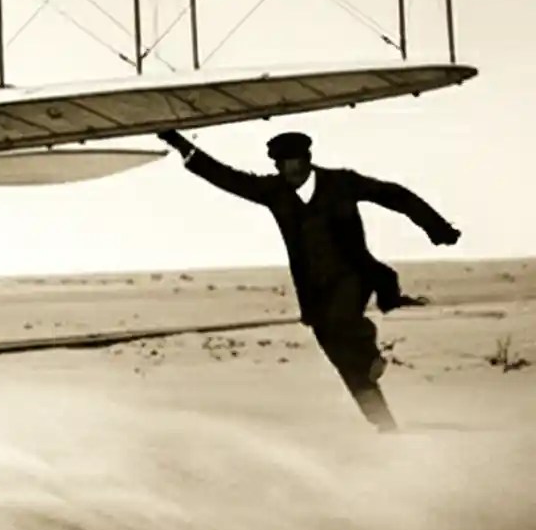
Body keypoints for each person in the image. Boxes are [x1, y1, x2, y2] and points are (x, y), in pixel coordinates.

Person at [156, 128, 460, 432]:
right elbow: (224, 176)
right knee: (343, 363)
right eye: (281, 164)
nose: (288, 170)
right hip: (313, 293)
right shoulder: (273, 192)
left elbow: (395, 195)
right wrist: (178, 142)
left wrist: (437, 227)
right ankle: (384, 424)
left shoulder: (341, 182)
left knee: (345, 323)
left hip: (355, 275)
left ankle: (369, 353)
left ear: (307, 159)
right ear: (275, 165)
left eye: (293, 162)